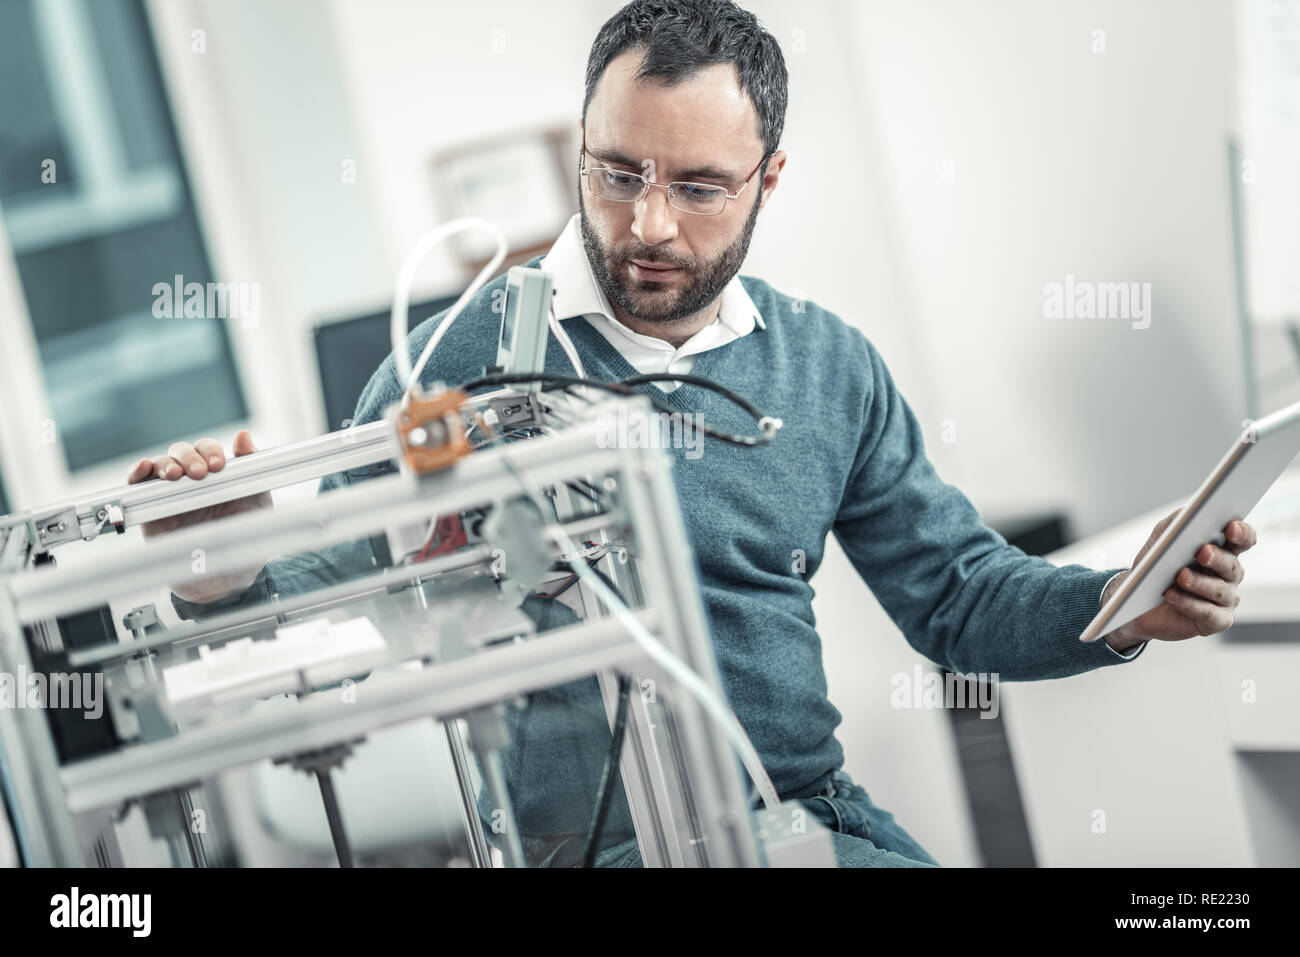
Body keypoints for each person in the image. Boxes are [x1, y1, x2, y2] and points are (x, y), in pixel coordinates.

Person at [126, 0, 1256, 867]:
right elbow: (320, 585)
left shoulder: (825, 366)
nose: (647, 224)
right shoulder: (459, 364)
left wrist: (1118, 608)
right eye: (619, 174)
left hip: (799, 821)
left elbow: (958, 597)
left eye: (700, 187)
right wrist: (216, 559)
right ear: (582, 147)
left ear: (769, 180)